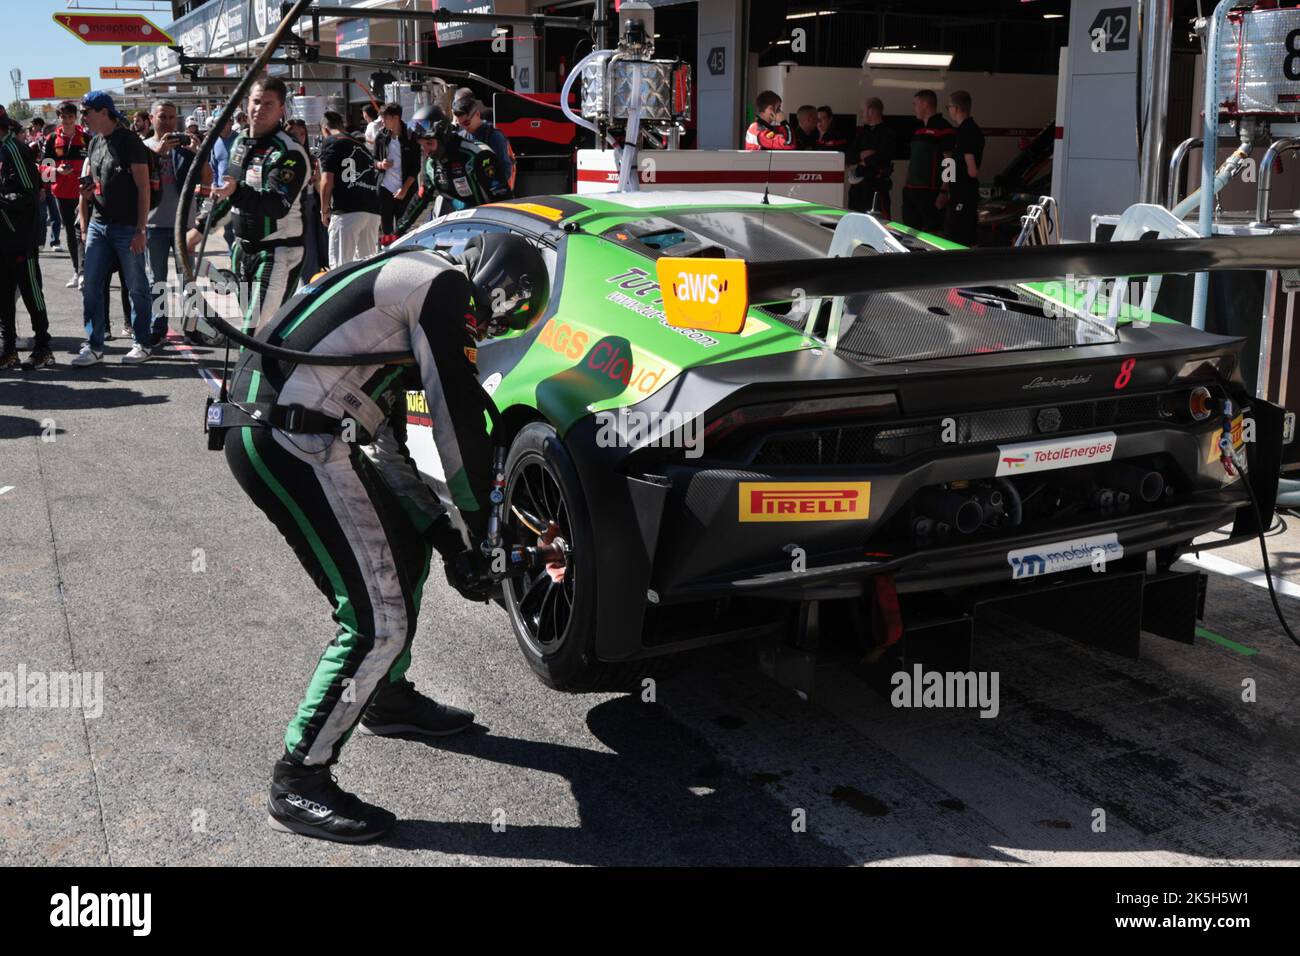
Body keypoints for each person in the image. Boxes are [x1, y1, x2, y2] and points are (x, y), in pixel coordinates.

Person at [214, 232, 550, 842]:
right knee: (377, 620)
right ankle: (299, 780)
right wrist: (485, 529)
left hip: (290, 429)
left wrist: (449, 540)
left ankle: (387, 698)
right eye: (494, 324)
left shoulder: (407, 284)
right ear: (498, 292)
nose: (485, 336)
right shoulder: (443, 290)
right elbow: (457, 422)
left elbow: (389, 449)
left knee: (406, 547)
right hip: (290, 438)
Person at [187, 75, 308, 337]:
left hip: (277, 251)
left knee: (254, 332)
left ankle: (255, 363)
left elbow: (276, 204)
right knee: (258, 330)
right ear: (246, 104)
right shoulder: (240, 143)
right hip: (242, 250)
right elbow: (228, 193)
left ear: (281, 109)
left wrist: (237, 191)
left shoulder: (289, 152)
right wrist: (199, 229)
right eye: (256, 102)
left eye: (268, 104)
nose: (260, 109)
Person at [72, 91, 154, 367]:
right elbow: (95, 185)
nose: (83, 117)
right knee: (91, 285)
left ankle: (142, 343)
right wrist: (86, 209)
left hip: (128, 227)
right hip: (99, 224)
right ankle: (94, 345)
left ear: (103, 112)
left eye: (86, 112)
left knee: (136, 287)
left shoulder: (130, 142)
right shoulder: (95, 142)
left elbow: (144, 188)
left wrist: (140, 229)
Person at [394, 108, 509, 236]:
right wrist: (397, 232)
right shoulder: (431, 164)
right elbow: (420, 199)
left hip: (488, 226)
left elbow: (503, 200)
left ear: (443, 138)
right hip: (458, 227)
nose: (426, 151)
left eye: (429, 143)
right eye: (422, 145)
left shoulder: (476, 155)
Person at [142, 100, 199, 347]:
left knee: (188, 279)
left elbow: (207, 178)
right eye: (162, 116)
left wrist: (198, 154)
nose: (167, 122)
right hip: (153, 224)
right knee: (157, 280)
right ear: (151, 118)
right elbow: (138, 180)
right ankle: (158, 327)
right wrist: (159, 152)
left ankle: (191, 327)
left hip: (183, 225)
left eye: (171, 117)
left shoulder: (186, 147)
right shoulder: (143, 147)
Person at [0, 109, 54, 370]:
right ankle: (8, 349)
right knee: (3, 295)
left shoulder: (14, 149)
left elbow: (29, 193)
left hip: (20, 237)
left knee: (31, 292)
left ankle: (43, 347)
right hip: (3, 236)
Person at [318, 109, 380, 268]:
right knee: (367, 267)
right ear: (342, 126)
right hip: (372, 210)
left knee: (340, 267)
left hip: (347, 211)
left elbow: (327, 179)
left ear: (325, 129)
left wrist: (324, 209)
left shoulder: (331, 141)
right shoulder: (362, 147)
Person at [47, 101, 90, 286]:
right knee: (71, 234)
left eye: (70, 116)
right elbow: (45, 170)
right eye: (63, 117)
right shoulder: (51, 139)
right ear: (59, 118)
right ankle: (77, 270)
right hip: (62, 193)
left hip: (84, 193)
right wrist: (57, 171)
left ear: (76, 117)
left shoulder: (86, 137)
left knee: (86, 232)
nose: (67, 120)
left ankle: (86, 270)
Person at [901, 89, 955, 235]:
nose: (914, 107)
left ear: (925, 104)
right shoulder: (918, 131)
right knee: (910, 234)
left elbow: (950, 161)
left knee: (933, 234)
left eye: (915, 104)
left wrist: (945, 190)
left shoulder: (944, 129)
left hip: (931, 192)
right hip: (911, 191)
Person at [285, 117, 328, 282]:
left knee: (311, 253)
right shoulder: (280, 157)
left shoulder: (311, 159)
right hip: (288, 211)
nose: (298, 137)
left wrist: (317, 180)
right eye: (293, 133)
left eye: (302, 133)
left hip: (309, 208)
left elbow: (319, 189)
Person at [451, 88, 514, 195]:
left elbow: (506, 169)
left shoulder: (494, 136)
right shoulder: (461, 136)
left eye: (466, 123)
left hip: (495, 193)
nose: (465, 127)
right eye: (460, 124)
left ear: (477, 114)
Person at [944, 89, 985, 247]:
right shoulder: (967, 130)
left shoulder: (966, 131)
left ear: (956, 108)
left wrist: (947, 184)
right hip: (959, 192)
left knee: (958, 235)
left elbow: (972, 170)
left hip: (963, 192)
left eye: (948, 107)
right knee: (963, 234)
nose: (948, 111)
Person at [373, 101, 418, 237]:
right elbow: (373, 160)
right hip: (385, 188)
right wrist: (381, 164)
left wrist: (404, 189)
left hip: (405, 189)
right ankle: (387, 248)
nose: (383, 121)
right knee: (386, 229)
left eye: (385, 118)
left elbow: (416, 167)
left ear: (396, 118)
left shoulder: (411, 136)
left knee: (403, 228)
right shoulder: (381, 136)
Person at [848, 97, 897, 218]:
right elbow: (849, 157)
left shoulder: (887, 134)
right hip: (857, 189)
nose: (861, 115)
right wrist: (861, 156)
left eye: (863, 111)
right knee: (854, 222)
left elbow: (881, 158)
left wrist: (862, 160)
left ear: (871, 111)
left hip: (876, 188)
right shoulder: (862, 133)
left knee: (878, 223)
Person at [28, 117, 61, 251]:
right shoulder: (34, 146)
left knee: (56, 216)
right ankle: (40, 242)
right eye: (51, 131)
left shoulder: (58, 146)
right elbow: (30, 165)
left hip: (54, 185)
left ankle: (55, 241)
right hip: (40, 186)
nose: (54, 134)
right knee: (42, 216)